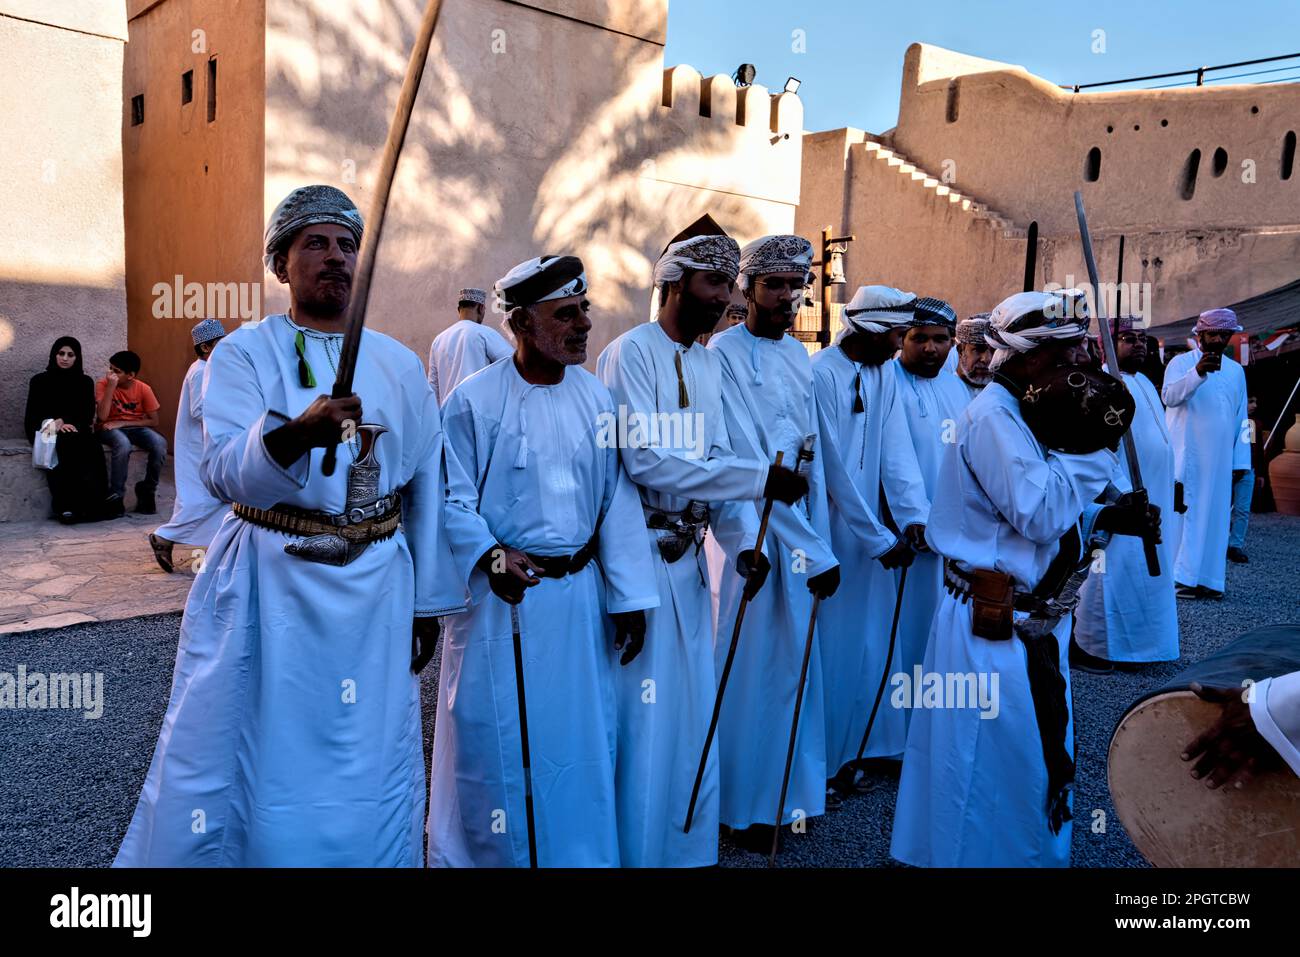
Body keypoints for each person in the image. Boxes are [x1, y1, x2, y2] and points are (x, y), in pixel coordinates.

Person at [115, 185, 462, 867]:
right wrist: (297, 434)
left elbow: (426, 482)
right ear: (281, 265)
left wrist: (425, 603)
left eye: (346, 245)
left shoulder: (397, 361)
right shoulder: (241, 356)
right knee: (264, 748)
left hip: (375, 592)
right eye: (316, 243)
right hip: (270, 585)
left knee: (367, 748)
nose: (335, 257)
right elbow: (222, 469)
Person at [890, 289, 1158, 868]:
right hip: (990, 626)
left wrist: (1108, 514)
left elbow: (1039, 514)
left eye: (1078, 348)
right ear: (1026, 355)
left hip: (1035, 623)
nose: (1078, 363)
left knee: (1025, 762)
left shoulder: (1034, 411)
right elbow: (1038, 514)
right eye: (1062, 352)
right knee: (989, 763)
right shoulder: (993, 417)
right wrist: (1097, 447)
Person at [427, 254, 659, 868]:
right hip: (500, 606)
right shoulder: (472, 402)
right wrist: (490, 553)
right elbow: (449, 499)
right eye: (566, 314)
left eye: (585, 309)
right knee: (493, 737)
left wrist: (628, 597)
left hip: (579, 603)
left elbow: (616, 502)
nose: (584, 323)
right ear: (523, 324)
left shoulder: (598, 400)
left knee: (581, 741)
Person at [597, 229, 805, 867]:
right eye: (711, 283)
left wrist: (741, 539)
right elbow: (646, 462)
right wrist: (754, 478)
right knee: (641, 718)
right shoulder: (629, 353)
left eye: (727, 284)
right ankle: (632, 849)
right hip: (640, 558)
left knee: (690, 709)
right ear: (674, 283)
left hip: (690, 564)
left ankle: (682, 848)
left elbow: (713, 454)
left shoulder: (709, 361)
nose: (723, 299)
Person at [705, 234, 841, 853]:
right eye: (774, 286)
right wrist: (812, 549)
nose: (787, 298)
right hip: (751, 537)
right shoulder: (722, 354)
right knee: (749, 670)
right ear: (748, 289)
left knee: (793, 667)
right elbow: (745, 463)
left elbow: (809, 454)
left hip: (801, 531)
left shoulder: (798, 357)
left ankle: (790, 797)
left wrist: (816, 542)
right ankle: (739, 807)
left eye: (796, 286)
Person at [811, 285, 922, 800]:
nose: (901, 346)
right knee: (829, 650)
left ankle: (854, 751)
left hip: (872, 538)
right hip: (828, 534)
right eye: (897, 334)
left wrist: (914, 519)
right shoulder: (820, 374)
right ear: (870, 329)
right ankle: (820, 765)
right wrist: (877, 537)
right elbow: (833, 468)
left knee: (866, 645)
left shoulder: (884, 376)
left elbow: (896, 454)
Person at [890, 296, 978, 735]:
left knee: (935, 632)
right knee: (896, 633)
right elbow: (894, 461)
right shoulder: (886, 381)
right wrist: (914, 519)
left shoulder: (955, 389)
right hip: (901, 536)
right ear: (900, 338)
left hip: (950, 537)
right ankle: (890, 735)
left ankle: (925, 731)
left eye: (940, 339)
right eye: (919, 337)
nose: (930, 348)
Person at [1073, 317, 1179, 671]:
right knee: (1111, 574)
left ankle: (1143, 649)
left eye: (1142, 339)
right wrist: (1119, 496)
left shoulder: (1146, 382)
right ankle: (1095, 648)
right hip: (1123, 502)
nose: (1138, 345)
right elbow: (1097, 449)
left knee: (1147, 576)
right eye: (1128, 339)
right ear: (1106, 344)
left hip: (1155, 495)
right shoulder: (1101, 385)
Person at [1162, 308, 1249, 600]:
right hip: (1186, 457)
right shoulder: (1180, 363)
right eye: (1214, 334)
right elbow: (1169, 397)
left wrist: (1241, 461)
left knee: (1215, 519)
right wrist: (1197, 372)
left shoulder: (1236, 371)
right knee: (1186, 516)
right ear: (1200, 335)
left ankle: (1209, 581)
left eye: (1225, 334)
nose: (1220, 339)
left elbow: (1240, 419)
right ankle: (1181, 578)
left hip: (1220, 462)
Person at [148, 319, 230, 573]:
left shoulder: (209, 370)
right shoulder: (199, 371)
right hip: (198, 449)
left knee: (219, 500)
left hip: (207, 446)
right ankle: (163, 537)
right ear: (206, 347)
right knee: (204, 501)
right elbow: (198, 410)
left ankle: (219, 552)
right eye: (220, 344)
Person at [23, 336, 109, 523]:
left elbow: (87, 413)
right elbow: (32, 415)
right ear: (54, 355)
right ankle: (65, 507)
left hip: (77, 429)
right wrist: (53, 422)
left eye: (70, 354)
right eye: (61, 353)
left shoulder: (84, 381)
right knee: (65, 446)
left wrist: (66, 420)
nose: (65, 358)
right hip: (48, 430)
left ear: (77, 358)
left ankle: (92, 506)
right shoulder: (39, 381)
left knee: (91, 445)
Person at [95, 350, 168, 517]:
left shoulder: (143, 389)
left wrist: (124, 422)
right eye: (110, 368)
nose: (110, 374)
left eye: (116, 371)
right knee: (123, 444)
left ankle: (147, 490)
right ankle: (116, 496)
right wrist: (111, 388)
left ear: (131, 375)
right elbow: (102, 417)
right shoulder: (103, 384)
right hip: (108, 428)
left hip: (133, 427)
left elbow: (154, 421)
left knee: (160, 443)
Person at [426, 287, 512, 404]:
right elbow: (513, 363)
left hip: (447, 416)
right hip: (477, 414)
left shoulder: (438, 340)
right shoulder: (484, 333)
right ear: (481, 308)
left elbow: (433, 386)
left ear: (459, 309)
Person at [1226, 394, 1259, 564]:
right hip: (1228, 470)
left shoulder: (1253, 424)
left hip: (1247, 470)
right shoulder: (1229, 420)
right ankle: (1222, 542)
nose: (1253, 405)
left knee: (1242, 510)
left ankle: (1235, 545)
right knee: (1223, 508)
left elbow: (1257, 449)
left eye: (1255, 402)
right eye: (1250, 401)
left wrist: (1258, 471)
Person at [953, 314, 993, 398]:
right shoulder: (945, 392)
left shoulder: (1006, 393)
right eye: (978, 349)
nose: (987, 359)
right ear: (961, 351)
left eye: (994, 351)